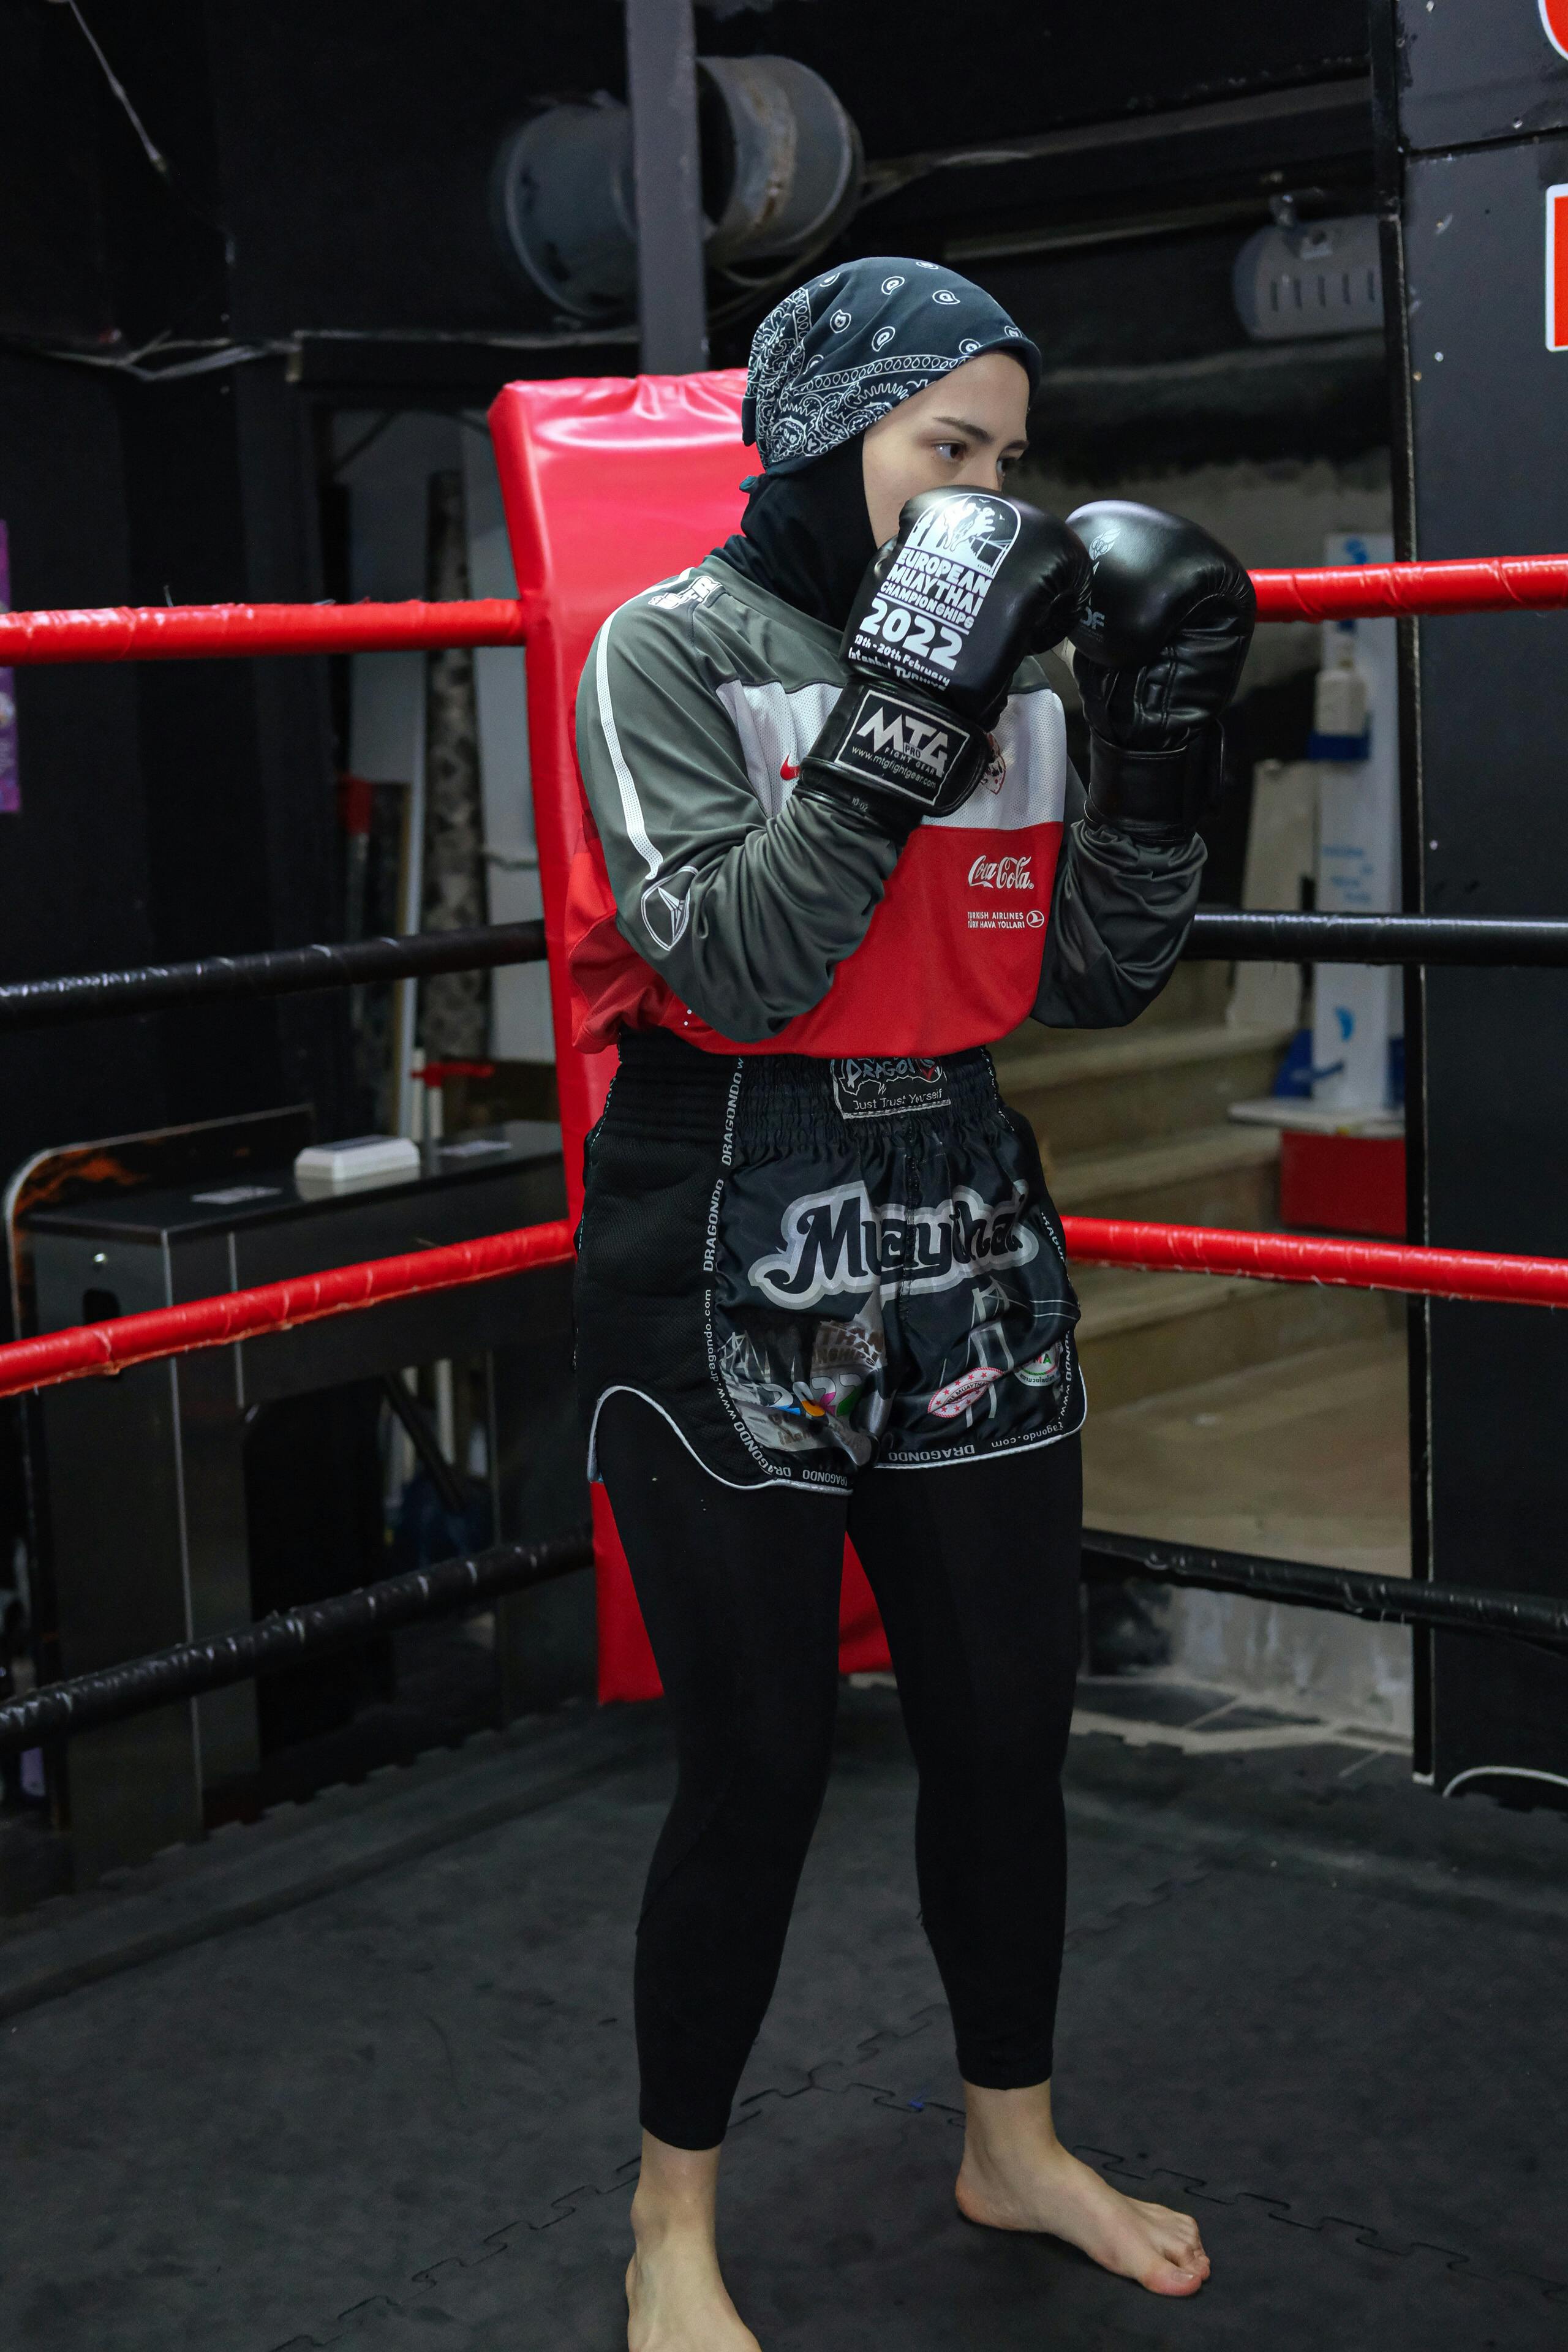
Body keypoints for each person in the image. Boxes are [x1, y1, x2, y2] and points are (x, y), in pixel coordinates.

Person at [571, 255, 1254, 2350]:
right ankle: (668, 2220)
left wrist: (1155, 763)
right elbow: (752, 970)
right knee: (761, 1758)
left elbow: (1085, 980)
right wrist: (905, 705)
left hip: (963, 1204)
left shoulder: (1017, 667)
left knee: (1001, 1730)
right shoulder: (666, 653)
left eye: (1004, 456)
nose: (983, 492)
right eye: (942, 445)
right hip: (729, 1215)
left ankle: (1011, 2135)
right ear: (817, 431)